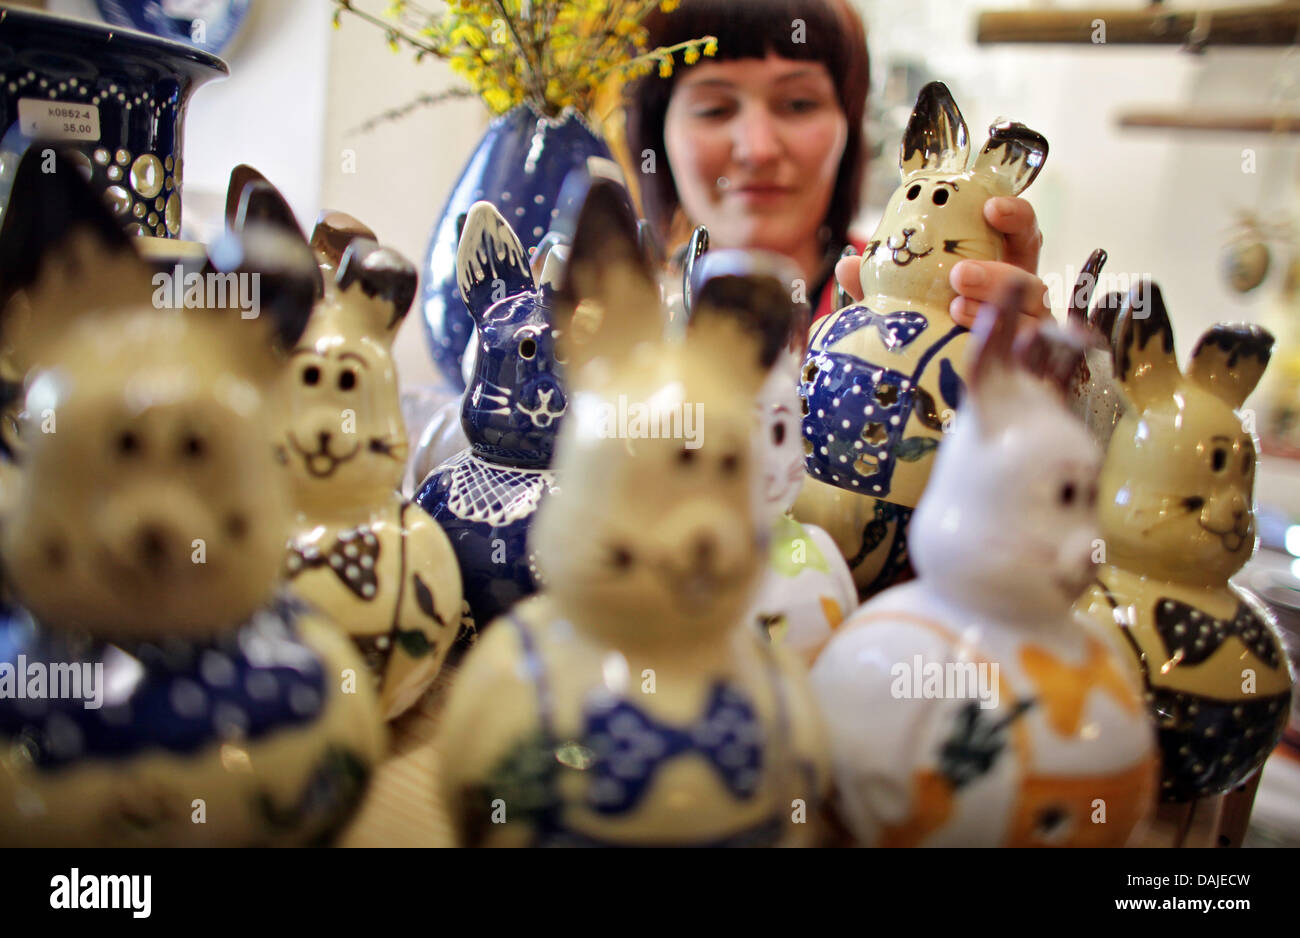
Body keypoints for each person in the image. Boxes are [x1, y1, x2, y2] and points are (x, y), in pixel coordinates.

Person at [626, 0, 1049, 323]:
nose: (758, 149)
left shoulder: (929, 284)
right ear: (657, 136)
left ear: (850, 127)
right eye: (714, 109)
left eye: (798, 103)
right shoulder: (607, 310)